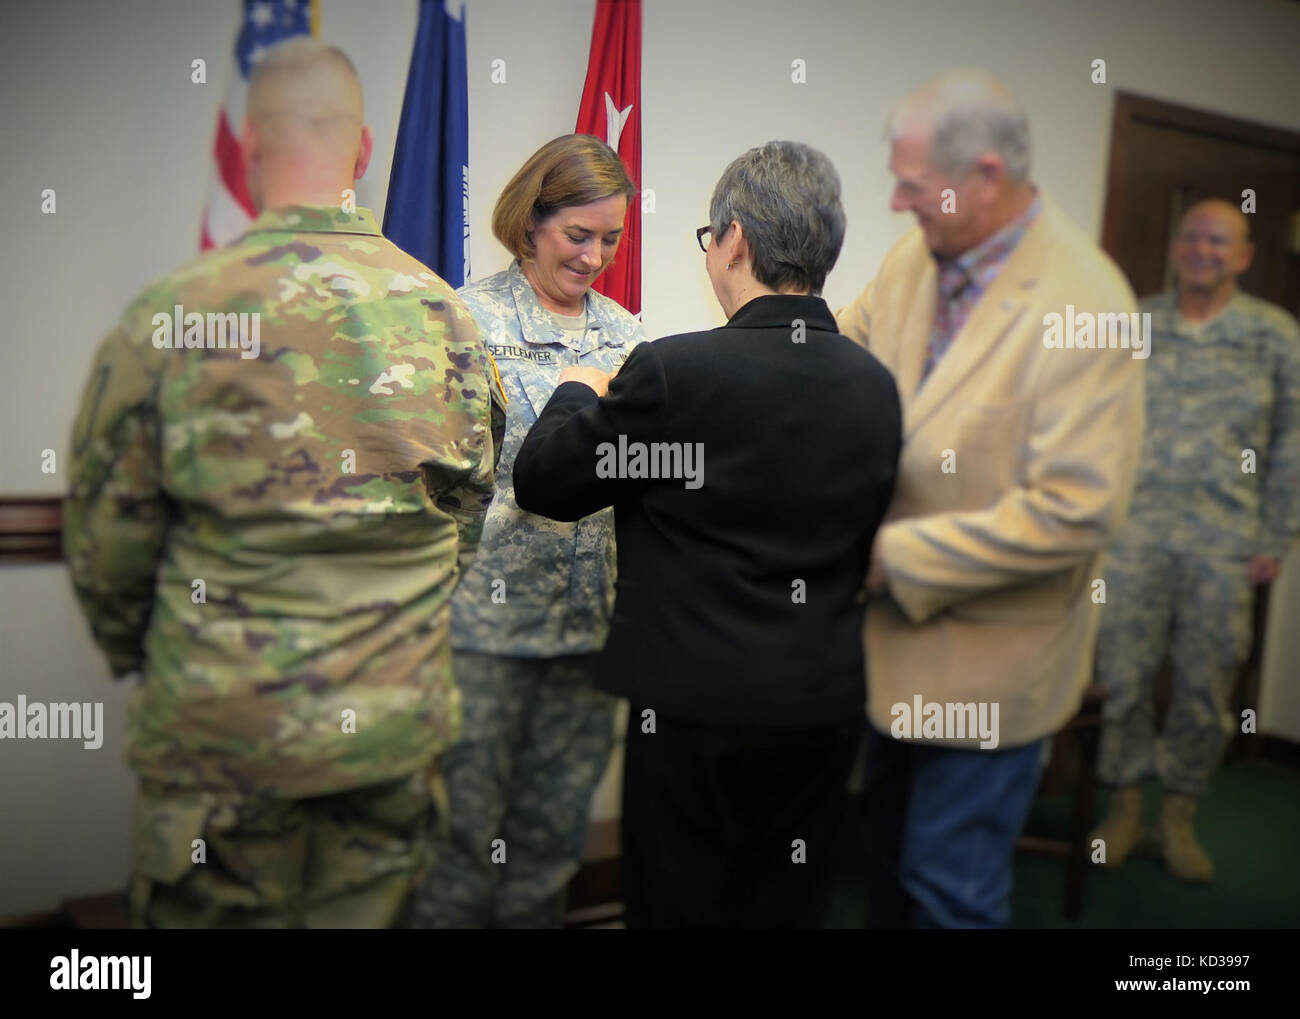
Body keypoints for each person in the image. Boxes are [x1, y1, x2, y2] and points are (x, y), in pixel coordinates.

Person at [63, 38, 503, 928]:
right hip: (388, 734)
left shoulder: (175, 316)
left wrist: (157, 653)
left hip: (227, 743)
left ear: (249, 148)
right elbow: (465, 518)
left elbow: (107, 543)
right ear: (366, 150)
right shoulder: (450, 316)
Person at [513, 140, 902, 929]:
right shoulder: (876, 387)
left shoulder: (675, 374)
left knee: (680, 905)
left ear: (735, 241)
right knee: (785, 906)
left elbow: (548, 484)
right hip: (821, 709)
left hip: (692, 713)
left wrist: (571, 393)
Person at [835, 68, 1146, 928]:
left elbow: (1076, 509)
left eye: (908, 183)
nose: (896, 202)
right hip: (885, 654)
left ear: (985, 178)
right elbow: (844, 358)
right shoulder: (914, 257)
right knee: (890, 870)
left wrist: (891, 557)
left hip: (991, 668)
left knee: (950, 894)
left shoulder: (1090, 307)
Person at [410, 134, 647, 929]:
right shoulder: (466, 320)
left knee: (548, 849)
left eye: (610, 239)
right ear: (530, 221)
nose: (595, 257)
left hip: (587, 635)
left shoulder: (629, 335)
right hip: (482, 635)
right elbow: (436, 485)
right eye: (577, 235)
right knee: (458, 847)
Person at [1090, 199, 1300, 882]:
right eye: (1192, 237)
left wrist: (1277, 534)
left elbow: (1293, 444)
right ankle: (1122, 808)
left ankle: (1177, 817)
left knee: (1207, 685)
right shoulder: (1137, 324)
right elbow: (1098, 425)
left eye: (1219, 240)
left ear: (1242, 256)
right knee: (1118, 674)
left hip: (1224, 542)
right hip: (1133, 536)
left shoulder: (1273, 335)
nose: (1202, 249)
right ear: (1176, 247)